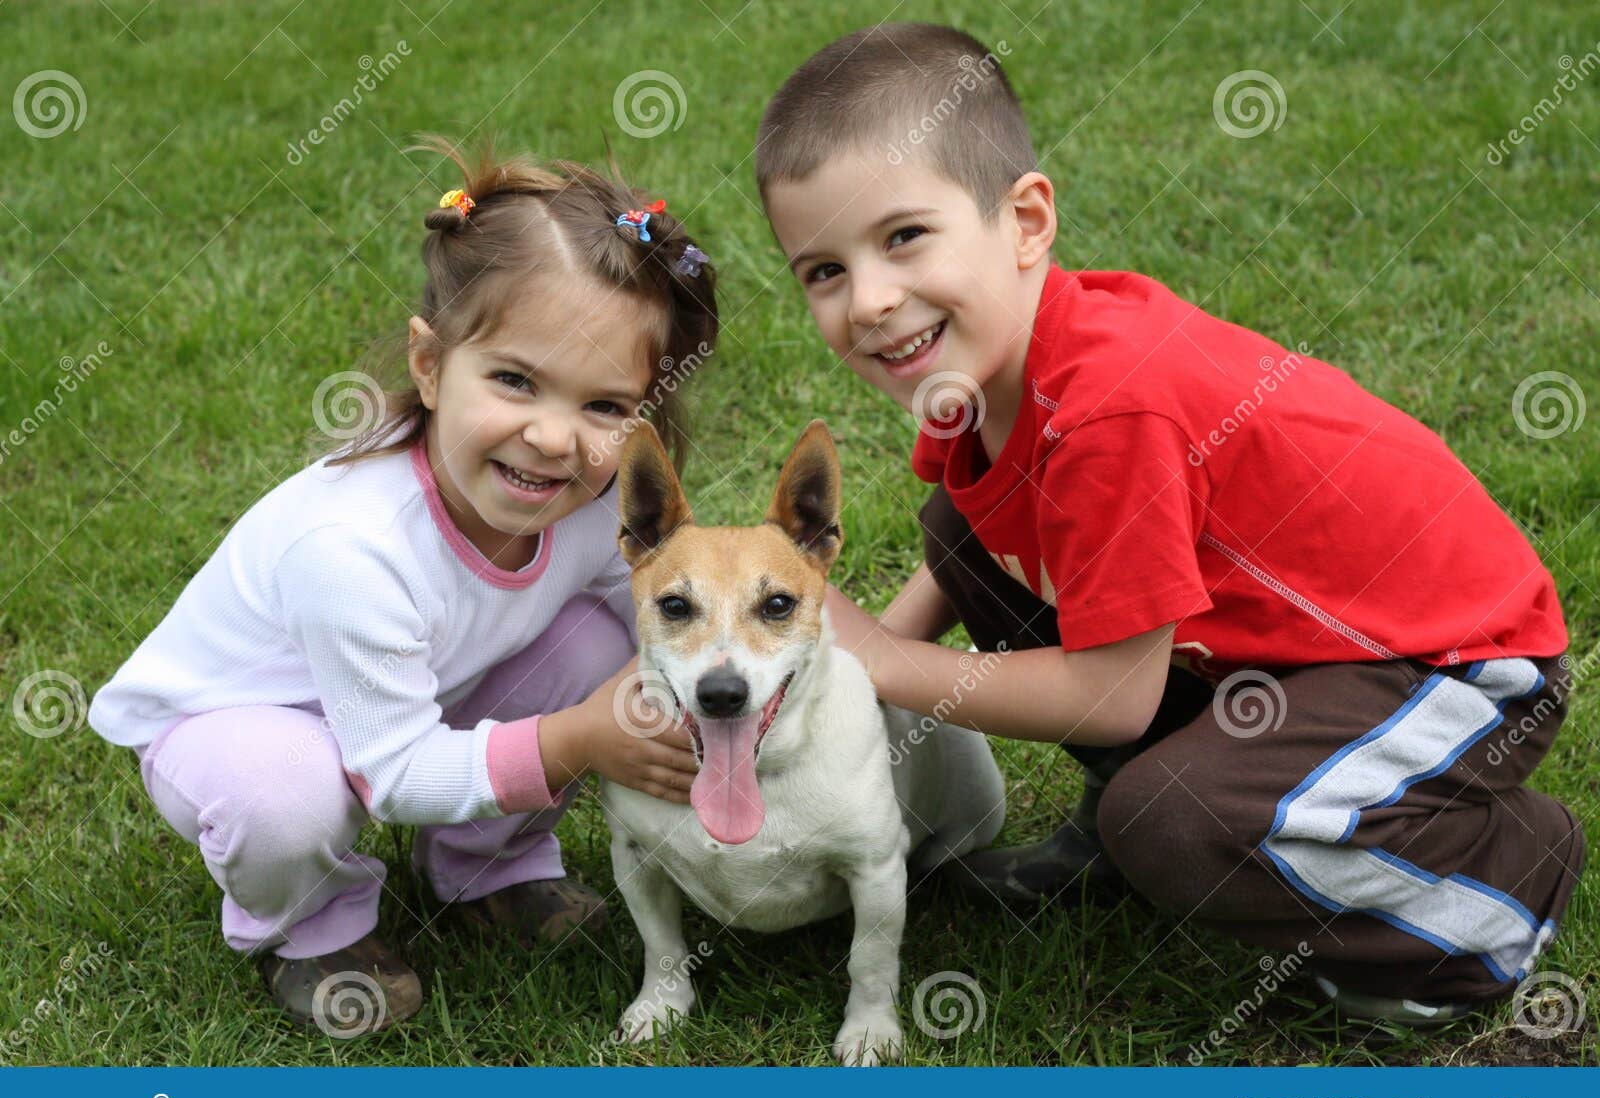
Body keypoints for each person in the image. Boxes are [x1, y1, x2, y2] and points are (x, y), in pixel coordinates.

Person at [754, 23, 1584, 1024]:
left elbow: (1109, 693)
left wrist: (884, 661)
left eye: (902, 237)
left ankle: (1507, 881)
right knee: (962, 536)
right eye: (823, 270)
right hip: (1295, 654)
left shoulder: (1110, 406)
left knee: (1175, 821)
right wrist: (835, 676)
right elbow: (961, 548)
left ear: (1026, 220)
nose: (870, 299)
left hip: (1457, 664)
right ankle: (1127, 826)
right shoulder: (983, 383)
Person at [87, 137, 717, 1035]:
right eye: (515, 380)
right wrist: (579, 738)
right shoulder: (352, 546)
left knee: (611, 643)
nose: (552, 437)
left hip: (420, 694)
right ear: (429, 366)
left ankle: (481, 865)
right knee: (287, 798)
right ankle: (314, 923)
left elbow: (684, 613)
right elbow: (391, 771)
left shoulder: (594, 504)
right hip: (248, 728)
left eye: (604, 405)